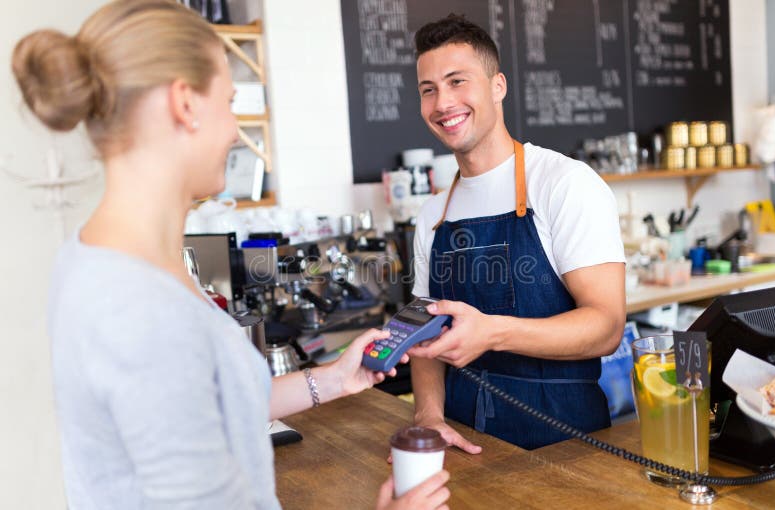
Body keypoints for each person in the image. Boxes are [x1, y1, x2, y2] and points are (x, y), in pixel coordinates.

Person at [12, 1, 449, 508]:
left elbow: (206, 402)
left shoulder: (113, 257)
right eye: (227, 102)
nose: (235, 131)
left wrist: (333, 379)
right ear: (185, 104)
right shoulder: (138, 308)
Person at [406, 14, 626, 453]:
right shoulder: (432, 215)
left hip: (565, 446)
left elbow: (606, 327)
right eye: (428, 89)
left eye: (457, 81)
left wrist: (493, 333)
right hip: (463, 444)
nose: (442, 102)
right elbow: (423, 332)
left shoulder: (565, 184)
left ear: (498, 86)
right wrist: (428, 416)